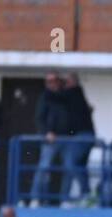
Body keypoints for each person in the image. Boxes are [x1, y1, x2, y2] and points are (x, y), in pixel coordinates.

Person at [28, 72, 72, 207]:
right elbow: (39, 118)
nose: (52, 83)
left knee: (69, 167)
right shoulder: (44, 97)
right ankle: (35, 198)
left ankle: (64, 199)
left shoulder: (66, 96)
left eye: (55, 80)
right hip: (50, 138)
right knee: (44, 166)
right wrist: (46, 133)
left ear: (59, 82)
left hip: (67, 138)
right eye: (49, 81)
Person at [63, 73, 95, 204]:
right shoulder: (77, 95)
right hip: (84, 136)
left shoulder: (74, 92)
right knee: (80, 166)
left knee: (70, 164)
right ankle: (71, 196)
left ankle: (86, 192)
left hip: (83, 136)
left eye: (67, 81)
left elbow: (55, 96)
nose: (66, 84)